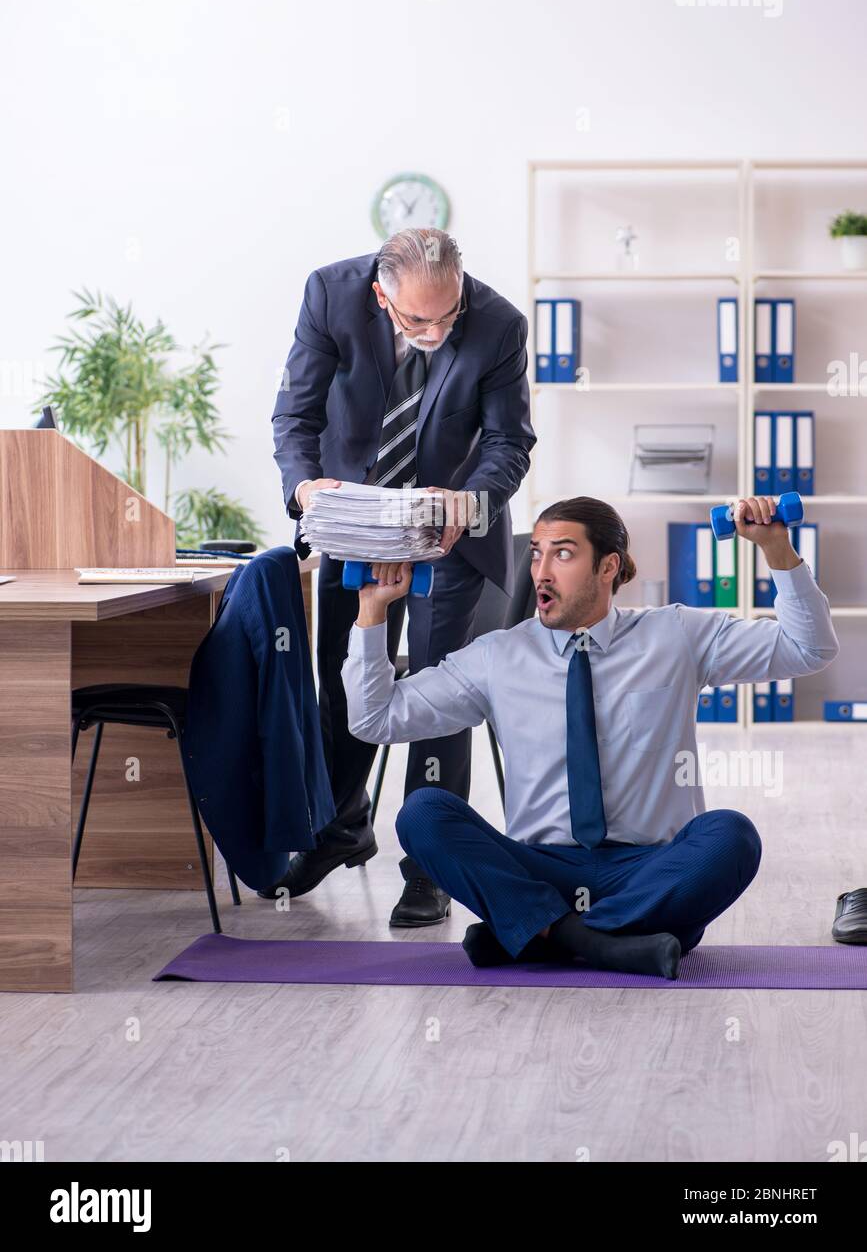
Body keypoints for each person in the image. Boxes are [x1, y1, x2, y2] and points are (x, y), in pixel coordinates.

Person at [341, 495, 839, 978]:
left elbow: (808, 649)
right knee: (424, 812)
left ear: (608, 568)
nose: (541, 571)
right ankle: (602, 943)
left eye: (563, 553)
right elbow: (376, 719)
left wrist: (777, 549)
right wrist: (373, 612)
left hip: (648, 872)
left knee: (731, 836)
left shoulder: (677, 635)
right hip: (541, 869)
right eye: (536, 553)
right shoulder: (498, 656)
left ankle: (537, 932)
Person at [268, 228, 536, 925]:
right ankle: (343, 823)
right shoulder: (330, 294)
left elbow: (510, 441)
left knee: (436, 693)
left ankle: (430, 865)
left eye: (447, 316)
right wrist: (303, 491)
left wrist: (469, 499)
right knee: (345, 680)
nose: (436, 331)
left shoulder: (499, 323)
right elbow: (295, 414)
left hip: (448, 533)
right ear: (380, 295)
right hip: (350, 519)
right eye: (418, 320)